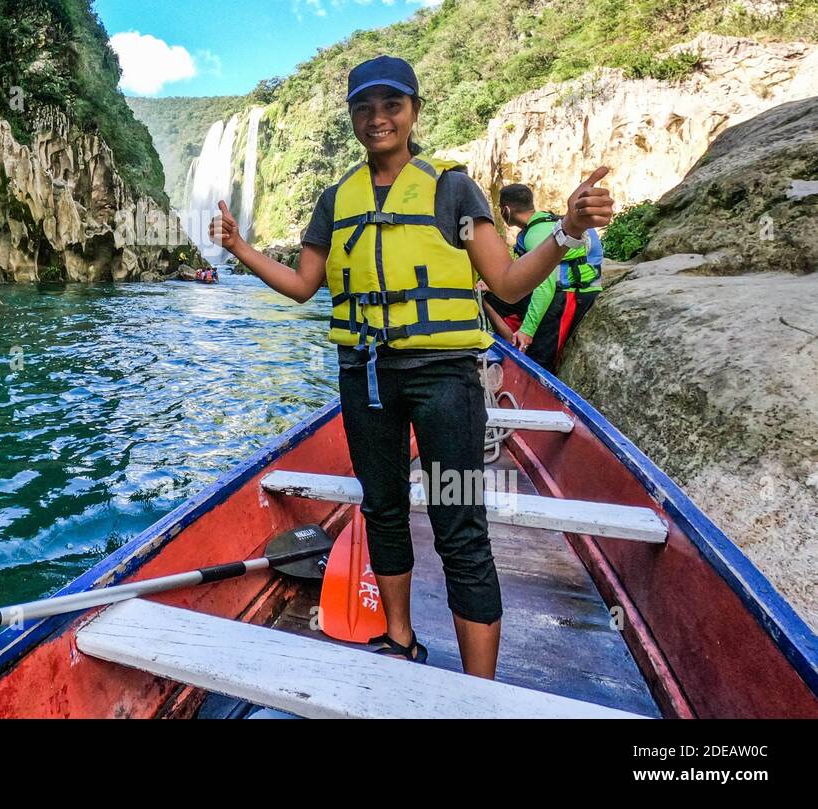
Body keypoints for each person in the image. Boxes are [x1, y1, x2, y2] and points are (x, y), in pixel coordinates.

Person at [208, 54, 613, 679]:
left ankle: (480, 691)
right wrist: (238, 248)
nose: (378, 119)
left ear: (414, 111)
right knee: (384, 507)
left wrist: (565, 230)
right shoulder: (335, 198)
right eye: (364, 108)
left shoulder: (452, 186)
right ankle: (399, 637)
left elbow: (505, 284)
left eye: (391, 105)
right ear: (351, 117)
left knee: (461, 522)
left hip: (446, 377)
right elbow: (302, 286)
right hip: (366, 373)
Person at [496, 183, 604, 373]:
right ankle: (511, 341)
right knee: (493, 297)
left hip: (570, 293)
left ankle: (524, 348)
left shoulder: (535, 235)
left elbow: (545, 286)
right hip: (566, 289)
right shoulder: (546, 223)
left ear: (506, 210)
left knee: (540, 360)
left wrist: (528, 331)